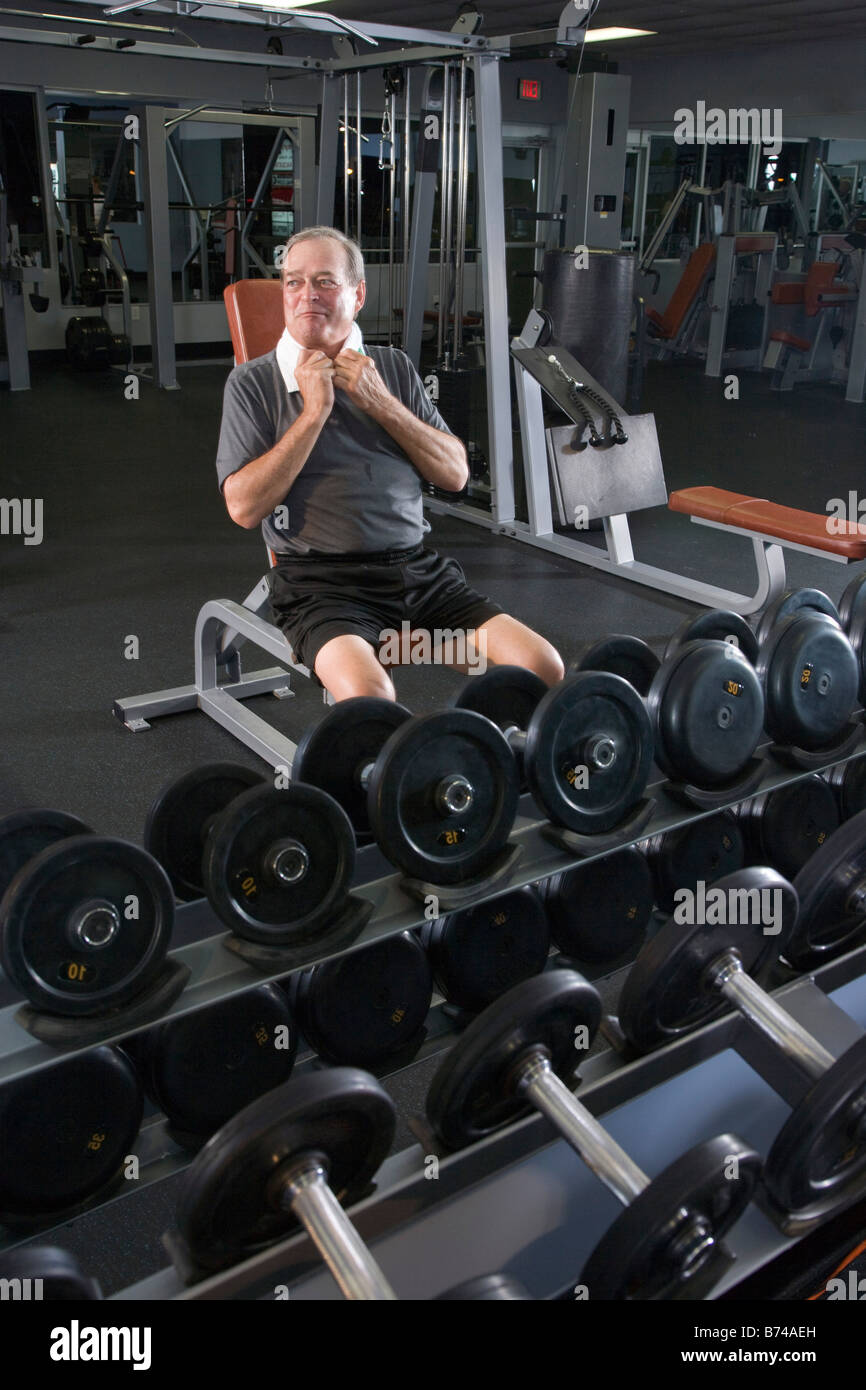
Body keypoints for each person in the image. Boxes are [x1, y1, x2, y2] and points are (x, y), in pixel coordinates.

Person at [216, 226, 564, 701]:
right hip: (322, 587)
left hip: (417, 574)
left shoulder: (393, 368)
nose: (306, 296)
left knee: (542, 666)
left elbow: (455, 474)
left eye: (325, 281)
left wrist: (381, 402)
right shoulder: (252, 383)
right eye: (293, 282)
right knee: (371, 694)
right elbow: (242, 507)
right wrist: (314, 411)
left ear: (358, 295)